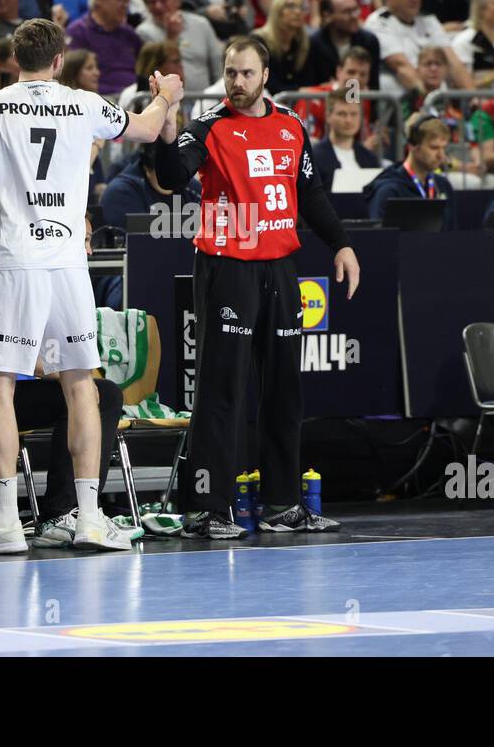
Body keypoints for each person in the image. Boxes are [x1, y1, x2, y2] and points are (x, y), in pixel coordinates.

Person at [0, 18, 179, 553]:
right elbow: (145, 131)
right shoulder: (84, 103)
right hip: (68, 261)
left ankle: (6, 523)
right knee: (81, 385)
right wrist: (165, 96)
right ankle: (91, 517)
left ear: (12, 59)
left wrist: (11, 205)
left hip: (15, 258)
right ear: (59, 61)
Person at [153, 35, 360, 538]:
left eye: (246, 73)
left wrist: (341, 244)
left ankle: (282, 503)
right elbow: (170, 178)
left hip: (280, 269)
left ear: (266, 75)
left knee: (285, 388)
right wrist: (166, 125)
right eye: (230, 74)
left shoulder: (291, 126)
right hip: (228, 267)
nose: (237, 83)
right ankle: (206, 508)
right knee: (222, 389)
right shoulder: (208, 127)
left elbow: (308, 193)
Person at [0, 275, 137, 548]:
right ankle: (59, 516)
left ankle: (80, 515)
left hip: (19, 388)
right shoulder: (8, 276)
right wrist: (78, 382)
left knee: (105, 394)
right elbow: (22, 359)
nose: (88, 250)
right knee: (85, 395)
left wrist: (82, 382)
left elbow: (66, 358)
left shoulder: (59, 281)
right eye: (84, 241)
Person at [364, 112, 459, 226]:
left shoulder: (443, 186)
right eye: (434, 148)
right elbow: (380, 239)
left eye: (443, 148)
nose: (441, 155)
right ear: (412, 146)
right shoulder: (389, 191)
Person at [138, 0, 223, 95]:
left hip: (204, 101)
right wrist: (171, 37)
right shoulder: (143, 32)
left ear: (177, 0)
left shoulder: (201, 24)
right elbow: (150, 71)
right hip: (166, 100)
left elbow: (217, 67)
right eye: (152, 2)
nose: (158, 6)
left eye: (163, 0)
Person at [64, 0, 142, 97]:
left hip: (133, 99)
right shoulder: (78, 32)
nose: (125, 6)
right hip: (98, 101)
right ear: (97, 0)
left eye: (127, 0)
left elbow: (143, 70)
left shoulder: (130, 34)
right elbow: (72, 78)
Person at [254, 0, 319, 96]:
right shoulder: (258, 41)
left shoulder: (303, 43)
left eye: (302, 7)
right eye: (291, 6)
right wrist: (298, 91)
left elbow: (309, 80)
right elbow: (264, 81)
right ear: (277, 10)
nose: (298, 12)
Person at [312, 87, 382, 181]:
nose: (348, 120)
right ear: (328, 116)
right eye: (342, 114)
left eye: (354, 114)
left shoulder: (370, 158)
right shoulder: (315, 157)